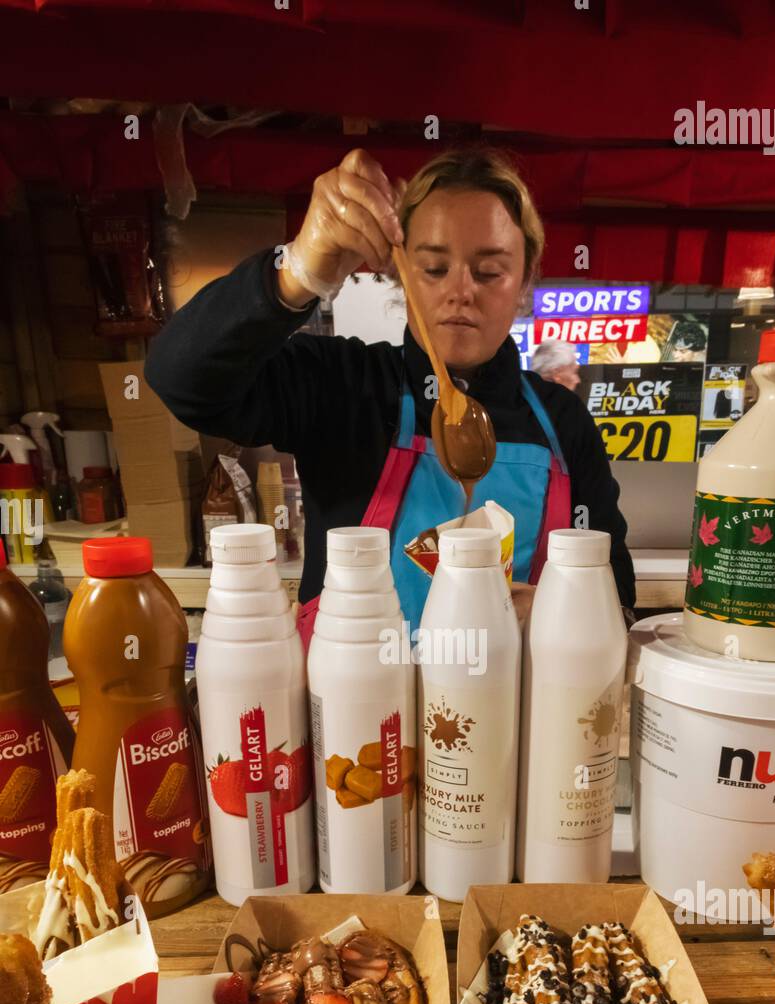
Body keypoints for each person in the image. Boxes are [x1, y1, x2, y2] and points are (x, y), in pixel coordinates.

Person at [145, 147, 636, 637]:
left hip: (510, 705)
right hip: (349, 706)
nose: (461, 290)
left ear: (526, 279)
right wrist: (298, 272)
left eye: (489, 271)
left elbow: (615, 589)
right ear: (400, 274)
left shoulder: (562, 422)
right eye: (434, 268)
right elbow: (180, 377)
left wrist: (561, 615)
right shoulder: (343, 385)